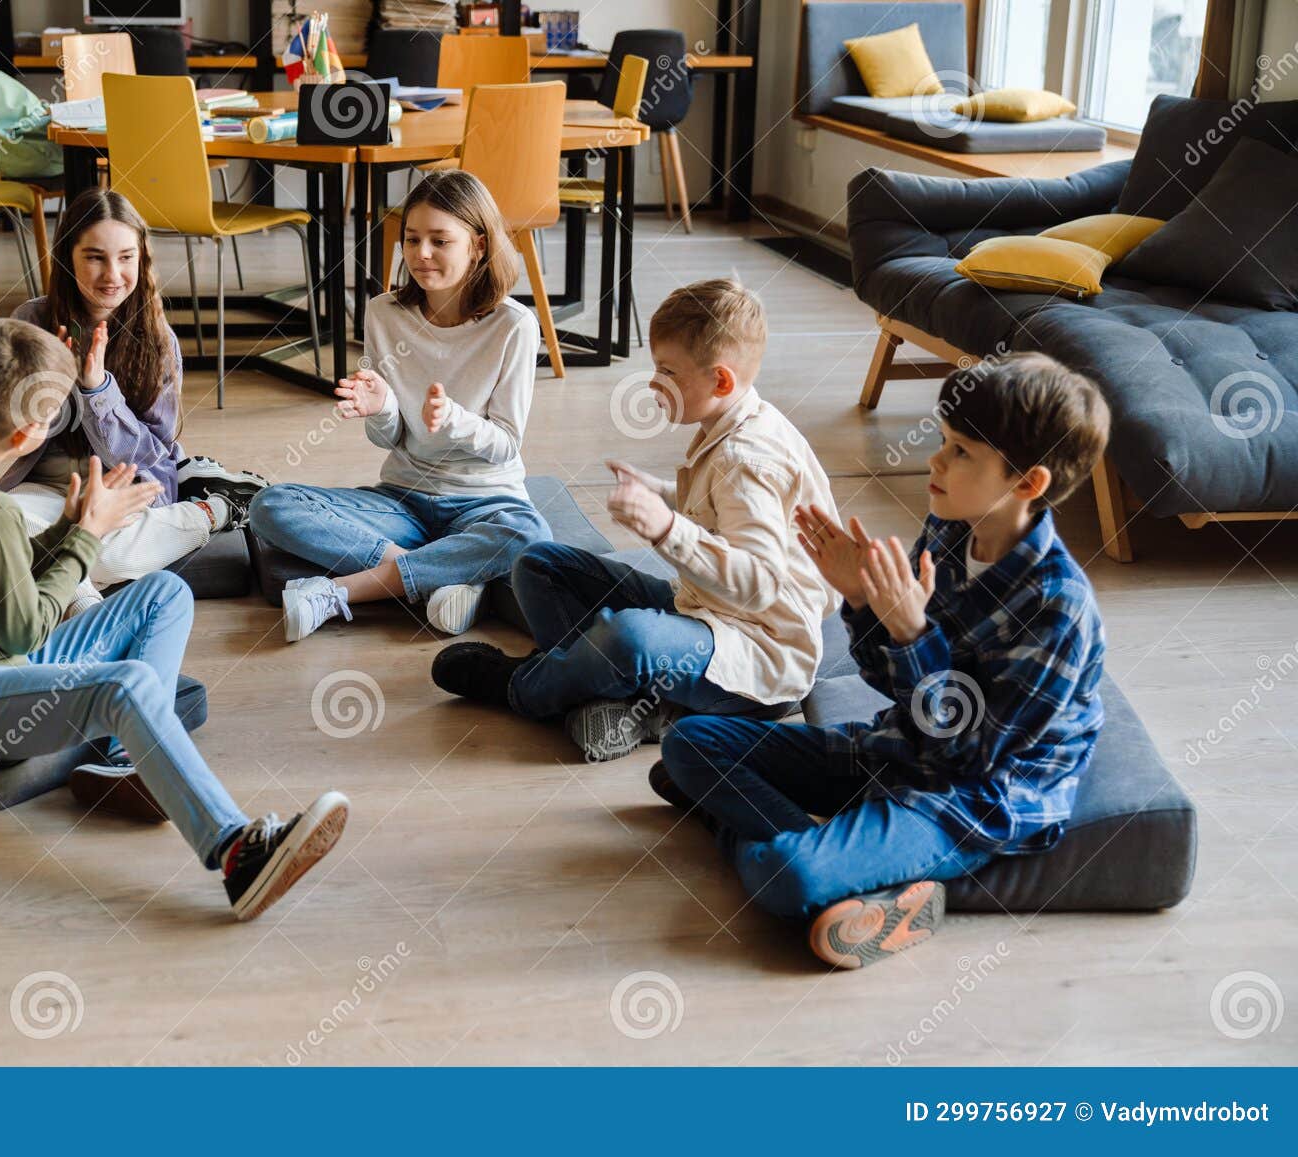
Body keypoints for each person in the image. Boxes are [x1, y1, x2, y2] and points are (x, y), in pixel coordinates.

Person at [0, 319, 348, 919]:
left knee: (163, 595)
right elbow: (24, 628)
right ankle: (236, 854)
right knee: (124, 685)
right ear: (27, 434)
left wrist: (67, 529)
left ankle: (125, 762)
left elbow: (2, 594)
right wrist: (86, 538)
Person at [658, 353, 1109, 969]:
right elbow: (890, 686)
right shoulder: (949, 532)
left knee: (784, 872)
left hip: (974, 796)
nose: (935, 460)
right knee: (688, 744)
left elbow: (967, 755)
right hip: (899, 749)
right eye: (943, 442)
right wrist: (863, 601)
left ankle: (807, 864)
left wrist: (911, 630)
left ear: (1026, 483)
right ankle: (837, 868)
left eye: (960, 452)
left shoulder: (1058, 608)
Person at [429, 278, 838, 763]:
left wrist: (667, 527)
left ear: (720, 381)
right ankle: (613, 696)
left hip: (757, 661)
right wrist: (663, 493)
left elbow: (760, 585)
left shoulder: (747, 460)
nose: (653, 383)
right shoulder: (740, 423)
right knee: (540, 564)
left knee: (630, 637)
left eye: (667, 371)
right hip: (706, 611)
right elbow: (718, 510)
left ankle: (525, 689)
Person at [247, 170, 550, 642]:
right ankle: (443, 574)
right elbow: (387, 439)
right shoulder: (383, 313)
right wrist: (384, 407)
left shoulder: (514, 326)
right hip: (403, 501)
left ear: (479, 245)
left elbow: (506, 446)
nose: (420, 254)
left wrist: (455, 423)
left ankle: (342, 592)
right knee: (270, 505)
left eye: (439, 241)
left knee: (530, 536)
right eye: (411, 239)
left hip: (485, 503)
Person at [5, 187, 266, 616]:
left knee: (95, 552)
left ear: (142, 259)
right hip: (42, 491)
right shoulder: (30, 322)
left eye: (126, 257)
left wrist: (96, 390)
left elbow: (151, 463)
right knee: (7, 526)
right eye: (95, 257)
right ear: (67, 257)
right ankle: (90, 610)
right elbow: (5, 439)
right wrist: (47, 393)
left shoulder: (158, 341)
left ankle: (215, 508)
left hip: (124, 489)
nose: (112, 274)